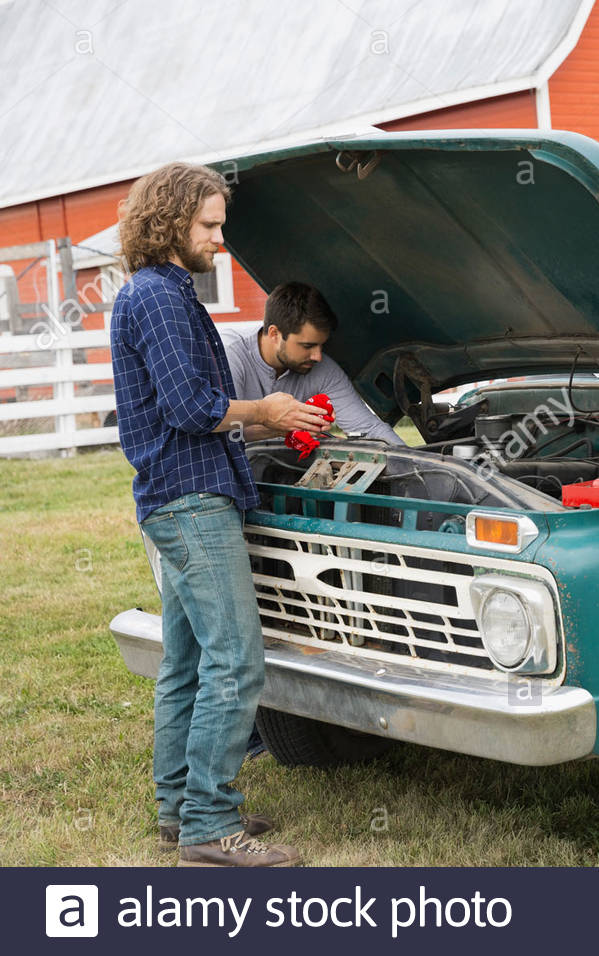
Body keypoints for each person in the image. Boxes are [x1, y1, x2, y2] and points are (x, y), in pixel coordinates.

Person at [110, 162, 329, 867]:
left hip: (177, 495)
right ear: (170, 221)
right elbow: (191, 409)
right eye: (209, 224)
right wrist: (261, 409)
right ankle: (210, 828)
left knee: (188, 660)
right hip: (191, 503)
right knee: (237, 658)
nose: (220, 238)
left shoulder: (158, 294)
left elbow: (191, 414)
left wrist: (268, 421)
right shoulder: (161, 300)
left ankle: (179, 808)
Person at [221, 282, 405, 445]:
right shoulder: (228, 354)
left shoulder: (323, 368)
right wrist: (284, 427)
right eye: (307, 346)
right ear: (275, 334)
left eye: (321, 345)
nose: (317, 356)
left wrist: (416, 462)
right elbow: (221, 435)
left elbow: (368, 429)